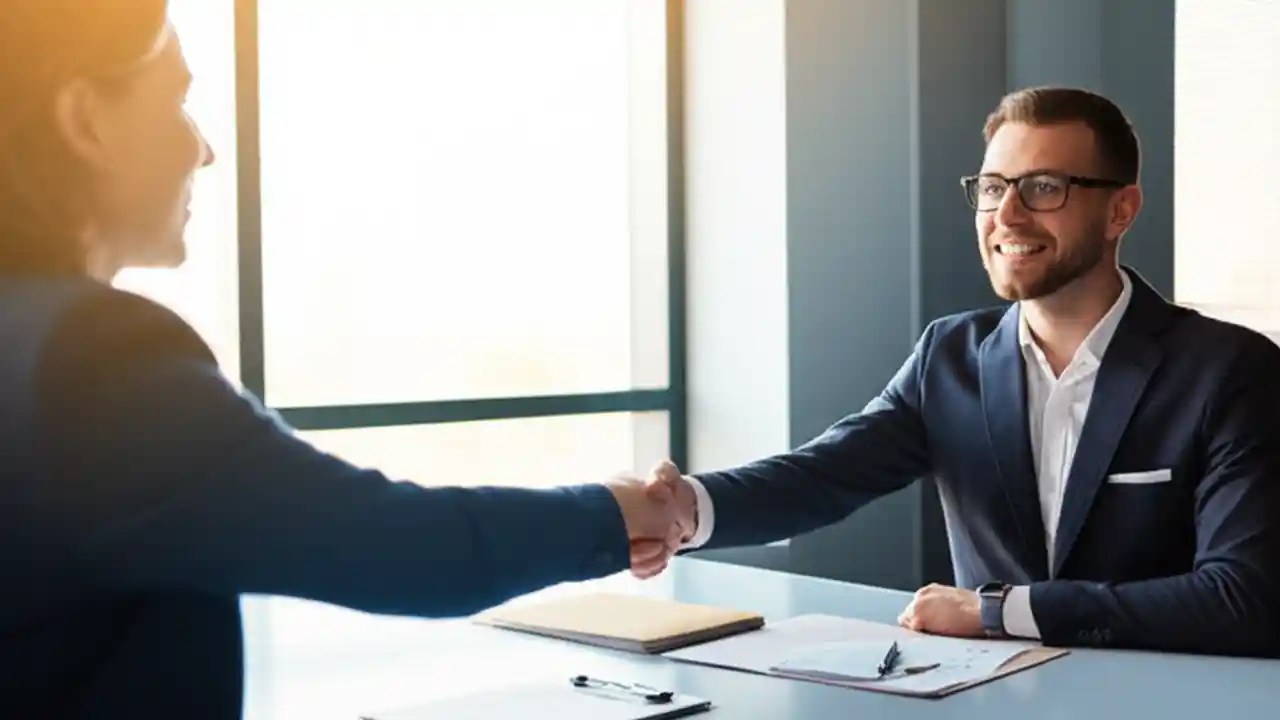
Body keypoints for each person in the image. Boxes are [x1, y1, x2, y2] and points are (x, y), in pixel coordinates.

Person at [0, 2, 678, 717]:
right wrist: (609, 515)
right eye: (177, 101)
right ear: (85, 121)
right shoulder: (95, 364)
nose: (204, 149)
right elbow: (400, 547)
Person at [640, 86, 1280, 657]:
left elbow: (1244, 598)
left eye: (1045, 187)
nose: (1008, 215)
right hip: (990, 699)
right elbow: (821, 476)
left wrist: (1001, 611)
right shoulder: (949, 356)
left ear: (1120, 211)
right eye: (995, 187)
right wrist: (684, 511)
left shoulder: (1231, 371)